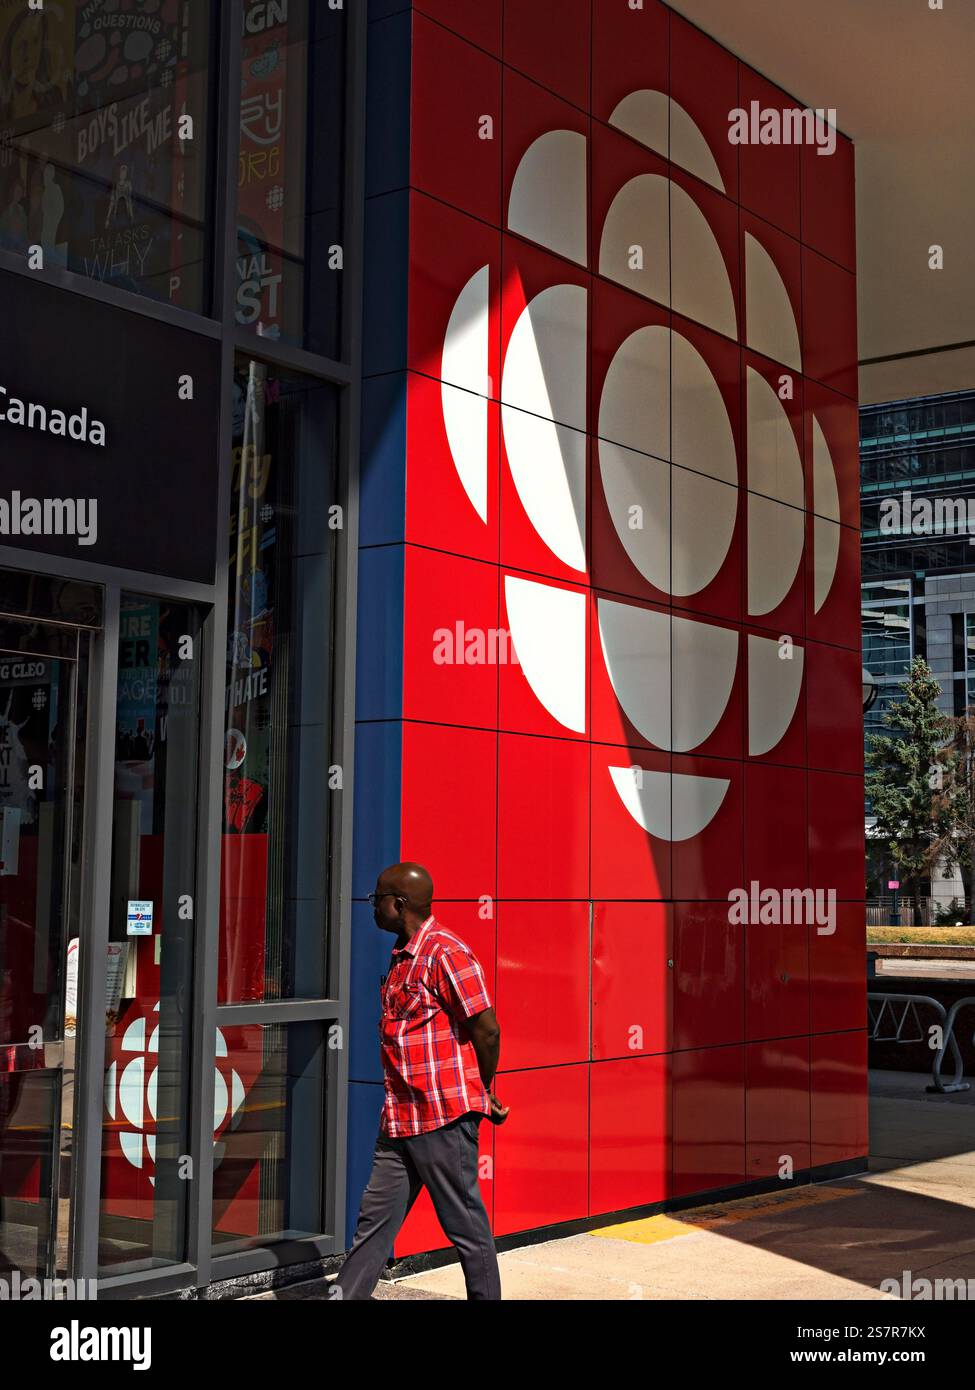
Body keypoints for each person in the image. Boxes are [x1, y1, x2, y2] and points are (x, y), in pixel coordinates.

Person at [333, 862, 507, 1300]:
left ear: (399, 904)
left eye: (377, 899)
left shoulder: (446, 952)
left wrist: (481, 1089)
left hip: (442, 1115)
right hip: (400, 1116)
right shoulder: (402, 953)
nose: (372, 906)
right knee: (375, 1222)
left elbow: (487, 1029)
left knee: (465, 1227)